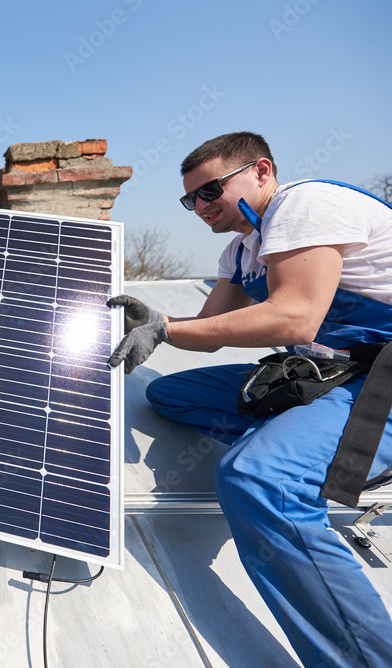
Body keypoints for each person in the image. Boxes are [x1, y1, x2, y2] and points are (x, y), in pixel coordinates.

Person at [107, 131, 392, 667]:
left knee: (256, 477)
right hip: (330, 373)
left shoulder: (303, 206)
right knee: (171, 394)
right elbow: (210, 330)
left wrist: (168, 329)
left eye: (211, 190)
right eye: (191, 199)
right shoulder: (241, 251)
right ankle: (305, 441)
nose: (202, 207)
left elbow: (295, 315)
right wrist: (158, 323)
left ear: (262, 171)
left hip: (383, 383)